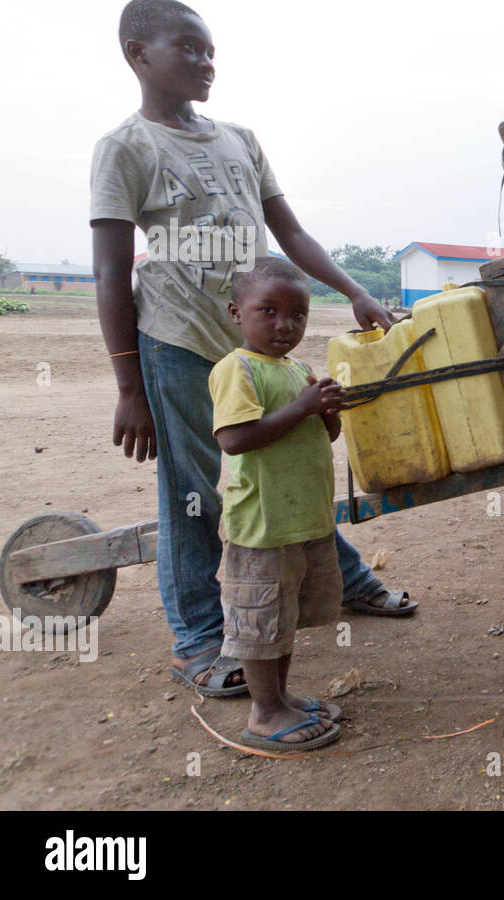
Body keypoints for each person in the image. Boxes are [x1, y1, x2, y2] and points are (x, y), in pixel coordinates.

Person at [90, 0, 416, 699]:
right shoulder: (126, 148)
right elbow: (112, 271)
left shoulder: (240, 138)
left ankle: (347, 580)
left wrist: (353, 289)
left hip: (260, 349)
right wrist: (128, 386)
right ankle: (200, 640)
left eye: (211, 50)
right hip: (178, 345)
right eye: (189, 48)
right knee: (197, 496)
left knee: (292, 466)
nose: (207, 62)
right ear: (138, 55)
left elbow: (291, 235)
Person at [209, 259, 344, 751]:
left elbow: (324, 435)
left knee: (281, 621)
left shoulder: (300, 370)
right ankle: (264, 714)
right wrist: (303, 407)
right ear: (235, 312)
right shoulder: (235, 369)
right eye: (268, 310)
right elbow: (236, 439)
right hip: (261, 527)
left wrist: (326, 410)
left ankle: (281, 697)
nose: (284, 325)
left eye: (297, 315)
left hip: (303, 520)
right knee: (258, 623)